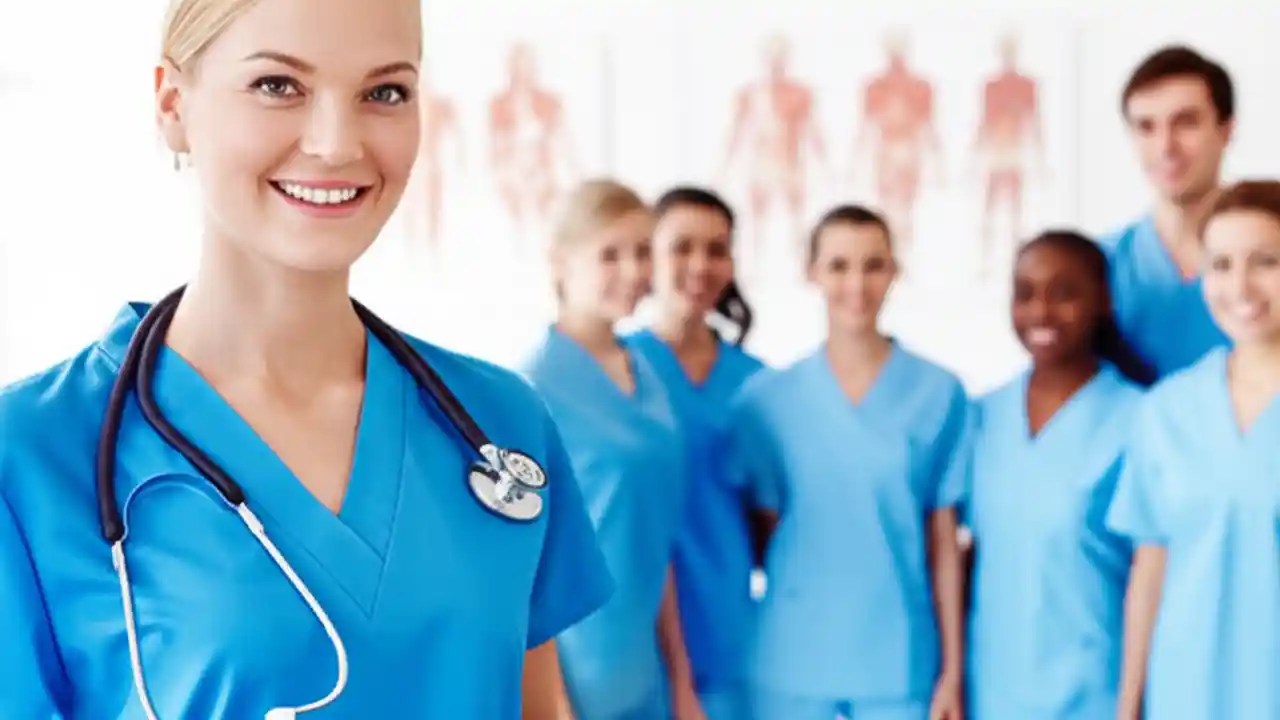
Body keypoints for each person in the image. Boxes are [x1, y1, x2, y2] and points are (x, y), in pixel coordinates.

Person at [0, 1, 612, 717]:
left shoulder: (500, 427)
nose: (336, 144)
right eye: (277, 86)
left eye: (384, 92)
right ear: (173, 104)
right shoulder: (34, 455)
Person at [729, 205, 966, 720]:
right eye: (838, 266)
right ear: (812, 272)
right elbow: (762, 532)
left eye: (873, 265)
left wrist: (952, 670)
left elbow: (943, 542)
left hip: (899, 659)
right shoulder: (765, 403)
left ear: (894, 271)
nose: (856, 283)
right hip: (791, 658)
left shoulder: (939, 394)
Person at [522, 179, 704, 719]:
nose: (633, 272)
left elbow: (654, 538)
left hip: (642, 666)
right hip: (576, 671)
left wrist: (681, 680)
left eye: (643, 252)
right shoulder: (532, 389)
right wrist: (553, 705)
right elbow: (518, 571)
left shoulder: (647, 373)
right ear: (560, 262)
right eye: (610, 254)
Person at [1108, 180, 1280, 720]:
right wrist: (1129, 702)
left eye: (1266, 261)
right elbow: (1151, 566)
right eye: (1221, 264)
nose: (1241, 286)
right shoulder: (1168, 411)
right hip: (1186, 689)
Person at [963, 231, 1154, 719]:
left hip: (1095, 691)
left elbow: (1156, 576)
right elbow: (969, 553)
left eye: (1064, 292)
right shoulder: (983, 416)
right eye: (1024, 294)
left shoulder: (1141, 420)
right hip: (992, 689)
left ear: (1103, 300)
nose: (1041, 312)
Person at [625, 187, 766, 720]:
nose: (700, 266)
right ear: (649, 257)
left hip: (731, 641)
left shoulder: (757, 387)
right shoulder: (615, 374)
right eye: (682, 247)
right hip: (631, 639)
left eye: (716, 250)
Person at [1101, 45, 1234, 379]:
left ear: (1226, 130)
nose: (1165, 147)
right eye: (1146, 127)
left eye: (1185, 123)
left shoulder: (1269, 253)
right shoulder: (1098, 266)